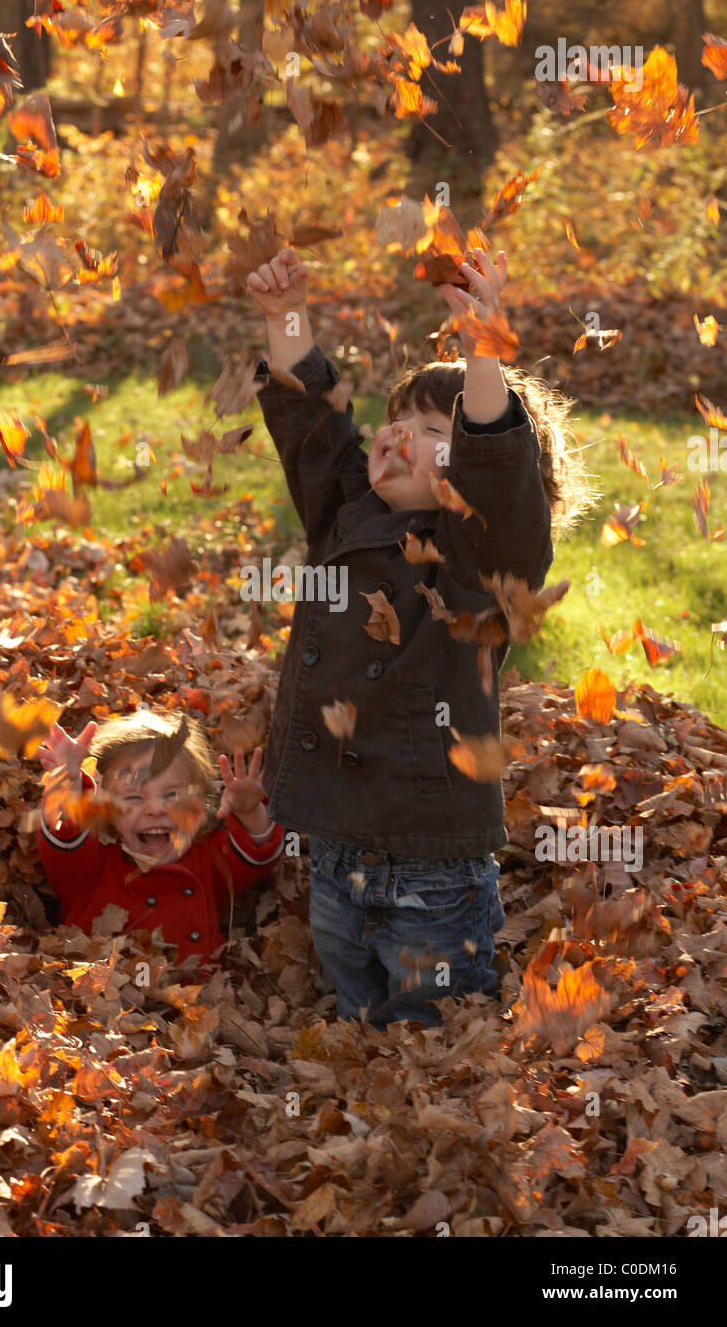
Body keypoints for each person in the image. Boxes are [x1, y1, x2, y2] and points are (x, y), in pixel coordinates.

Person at [247, 245, 596, 1027]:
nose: (398, 430)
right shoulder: (348, 516)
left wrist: (481, 350)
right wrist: (285, 316)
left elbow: (495, 474)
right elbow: (313, 428)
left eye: (430, 426)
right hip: (335, 846)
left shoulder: (481, 558)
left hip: (431, 866)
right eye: (397, 415)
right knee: (358, 1019)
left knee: (435, 1038)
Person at [36, 707, 284, 963]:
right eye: (133, 797)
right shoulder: (92, 863)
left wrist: (250, 811)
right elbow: (66, 836)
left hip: (198, 998)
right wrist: (71, 785)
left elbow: (256, 855)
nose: (156, 808)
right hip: (102, 996)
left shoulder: (205, 859)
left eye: (173, 796)